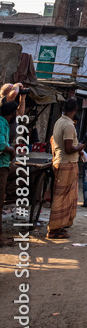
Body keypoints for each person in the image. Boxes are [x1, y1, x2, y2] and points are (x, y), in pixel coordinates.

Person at [48, 98, 85, 240]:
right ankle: (54, 229)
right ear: (75, 109)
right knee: (61, 196)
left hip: (62, 161)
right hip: (66, 162)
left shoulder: (60, 122)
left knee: (64, 196)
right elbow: (69, 148)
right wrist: (80, 147)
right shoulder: (68, 125)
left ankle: (59, 226)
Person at [0, 99, 17, 247]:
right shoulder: (1, 124)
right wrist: (11, 150)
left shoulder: (5, 124)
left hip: (5, 164)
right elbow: (1, 144)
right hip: (1, 166)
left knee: (21, 174)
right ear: (12, 113)